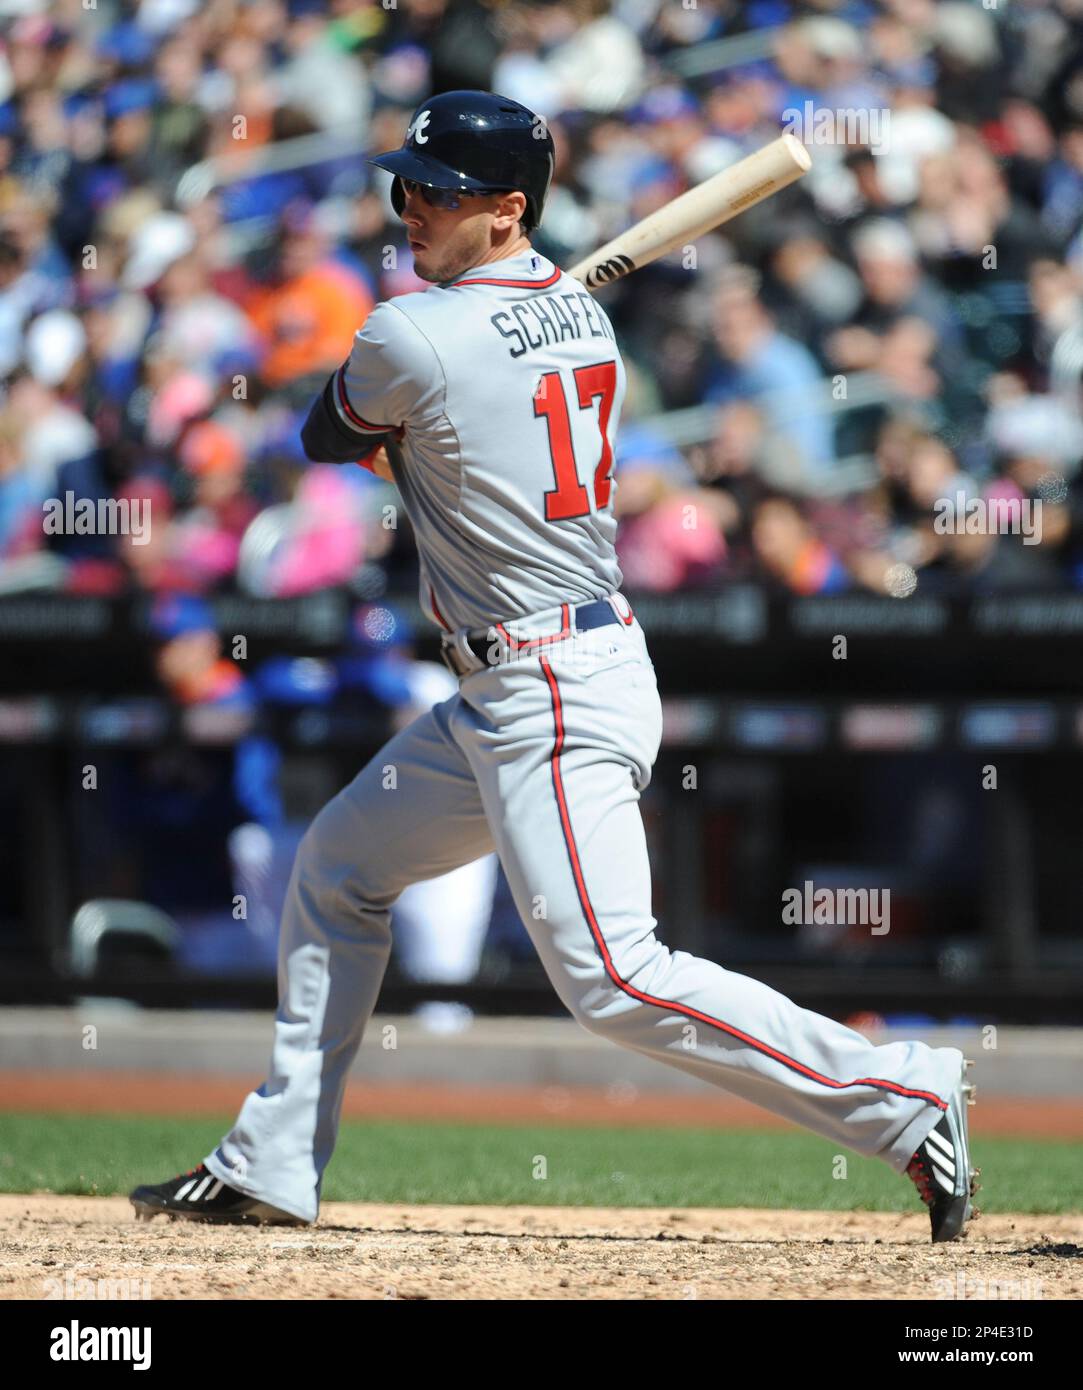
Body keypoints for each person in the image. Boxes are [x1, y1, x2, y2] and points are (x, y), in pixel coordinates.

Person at [130, 91, 978, 1242]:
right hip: (516, 680)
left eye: (441, 194)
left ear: (511, 210)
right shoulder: (583, 323)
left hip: (553, 685)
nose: (412, 209)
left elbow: (325, 435)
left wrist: (409, 429)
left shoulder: (410, 331)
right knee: (336, 866)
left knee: (613, 978)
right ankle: (272, 1158)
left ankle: (905, 1095)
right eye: (405, 188)